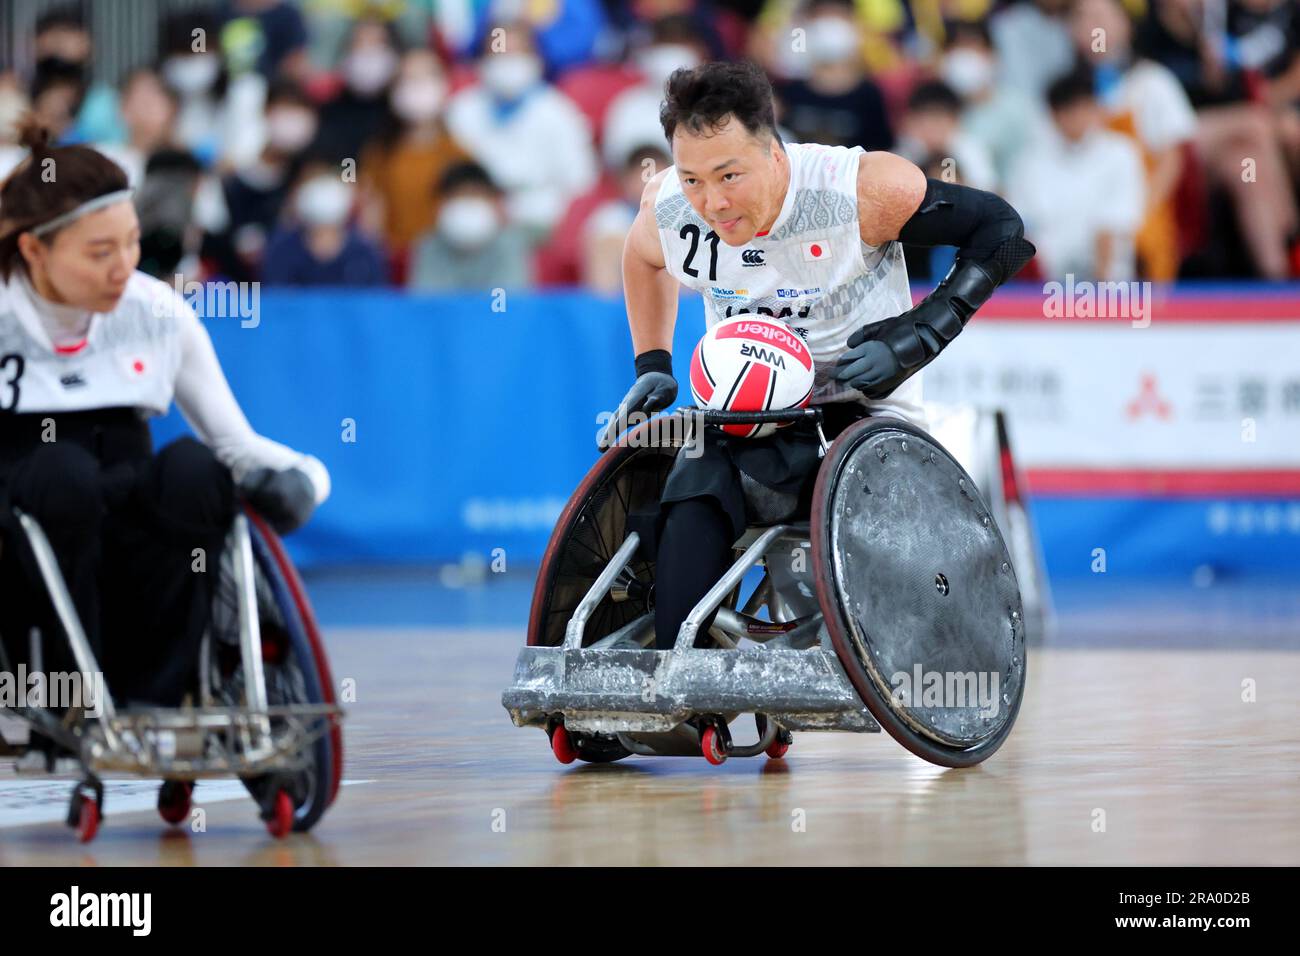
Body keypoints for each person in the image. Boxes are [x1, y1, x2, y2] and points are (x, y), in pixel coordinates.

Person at [601, 60, 1034, 650]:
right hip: (751, 415)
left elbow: (1003, 232)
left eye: (730, 176)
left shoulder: (858, 190)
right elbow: (641, 258)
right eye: (694, 179)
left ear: (776, 156)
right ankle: (686, 673)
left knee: (843, 491)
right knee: (692, 478)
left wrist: (918, 336)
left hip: (862, 415)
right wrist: (651, 361)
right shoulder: (671, 207)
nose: (713, 202)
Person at [0, 116, 330, 716]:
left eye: (131, 243)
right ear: (33, 249)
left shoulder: (156, 312)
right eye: (100, 252)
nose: (123, 265)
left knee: (196, 470)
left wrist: (306, 477)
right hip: (22, 509)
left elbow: (237, 444)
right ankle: (66, 693)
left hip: (123, 497)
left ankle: (159, 700)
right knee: (64, 473)